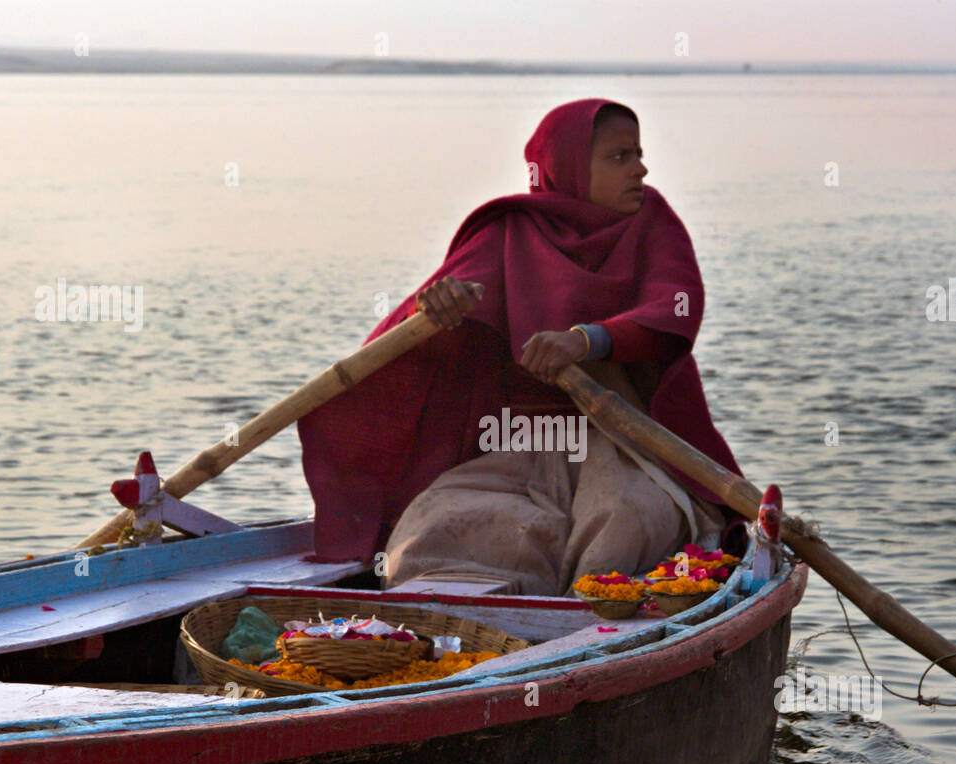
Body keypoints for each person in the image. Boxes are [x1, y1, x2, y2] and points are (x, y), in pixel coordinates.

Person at [297, 98, 746, 595]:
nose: (640, 168)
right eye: (619, 157)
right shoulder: (508, 230)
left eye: (638, 154)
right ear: (568, 167)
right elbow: (419, 333)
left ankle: (589, 625)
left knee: (625, 522)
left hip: (623, 442)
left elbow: (676, 309)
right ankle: (494, 633)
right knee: (428, 533)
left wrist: (585, 341)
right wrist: (439, 313)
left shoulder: (652, 221)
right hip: (514, 441)